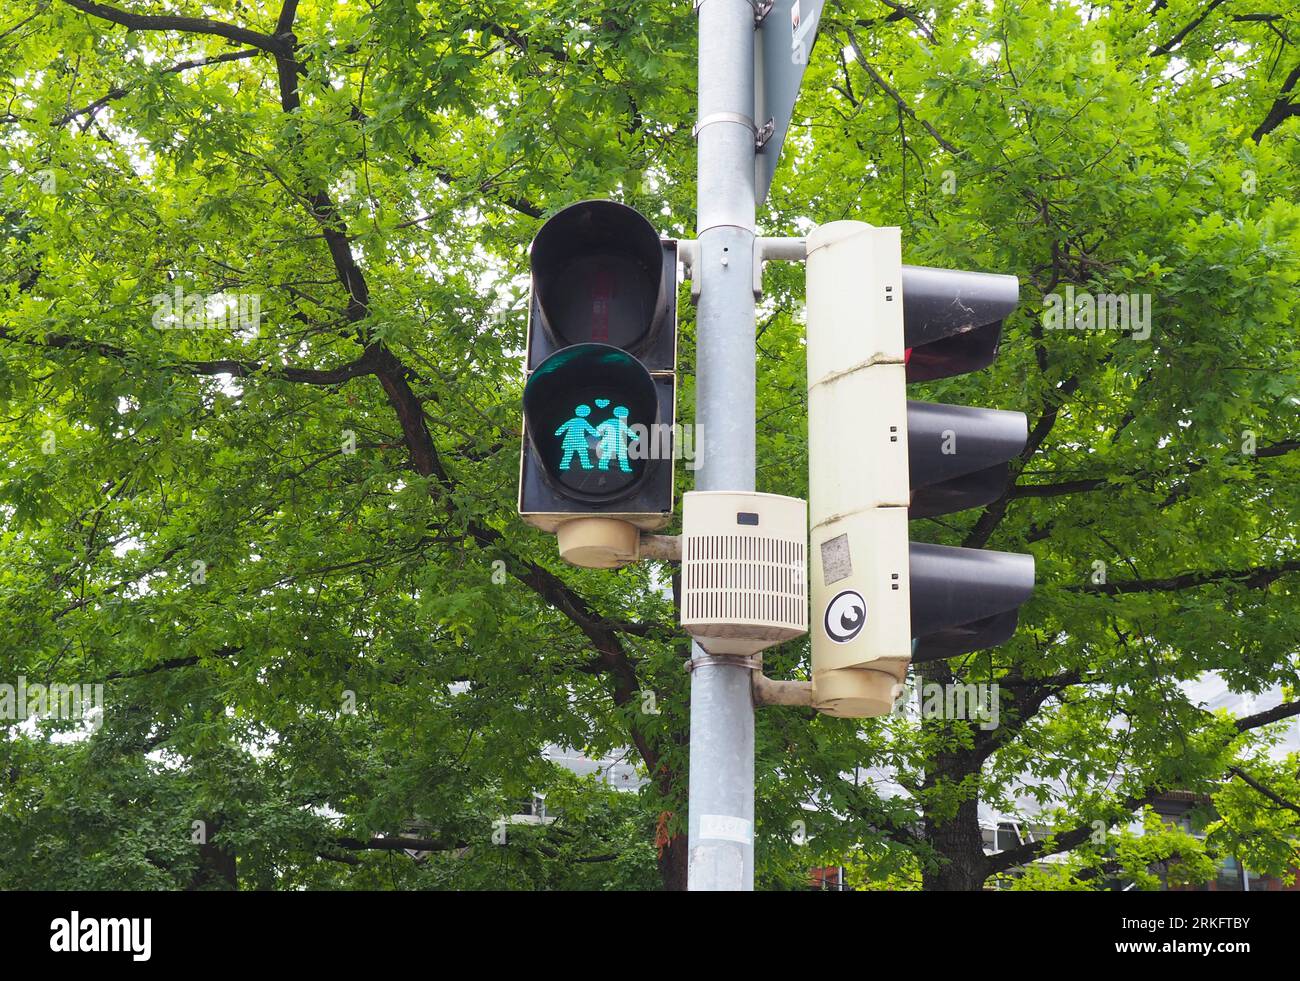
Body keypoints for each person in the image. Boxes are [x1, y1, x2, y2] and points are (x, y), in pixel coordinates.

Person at [595, 405, 639, 473]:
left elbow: (627, 431)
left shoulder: (617, 422)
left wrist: (635, 437)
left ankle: (623, 467)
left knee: (619, 454)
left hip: (616, 442)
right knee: (610, 454)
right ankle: (604, 465)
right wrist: (635, 437)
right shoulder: (615, 422)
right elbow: (628, 431)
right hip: (612, 441)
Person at [555, 404, 599, 471]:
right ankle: (585, 464)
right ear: (587, 413)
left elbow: (564, 426)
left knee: (569, 454)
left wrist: (558, 432)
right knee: (583, 453)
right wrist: (596, 434)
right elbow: (590, 429)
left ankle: (564, 464)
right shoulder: (583, 421)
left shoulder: (572, 420)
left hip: (570, 440)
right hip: (578, 441)